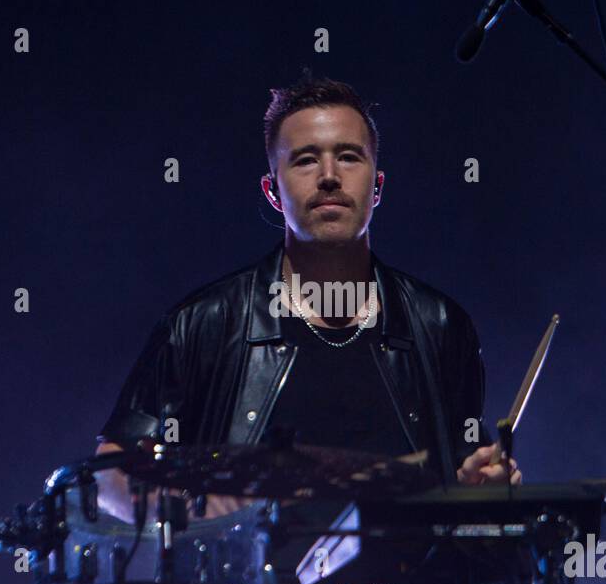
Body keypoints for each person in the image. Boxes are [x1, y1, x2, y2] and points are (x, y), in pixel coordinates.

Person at [94, 75, 519, 522]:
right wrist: (197, 525)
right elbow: (111, 471)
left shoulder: (439, 325)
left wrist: (482, 485)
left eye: (349, 157)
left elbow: (465, 469)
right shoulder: (203, 323)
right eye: (305, 161)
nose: (330, 177)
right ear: (272, 191)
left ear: (377, 185)